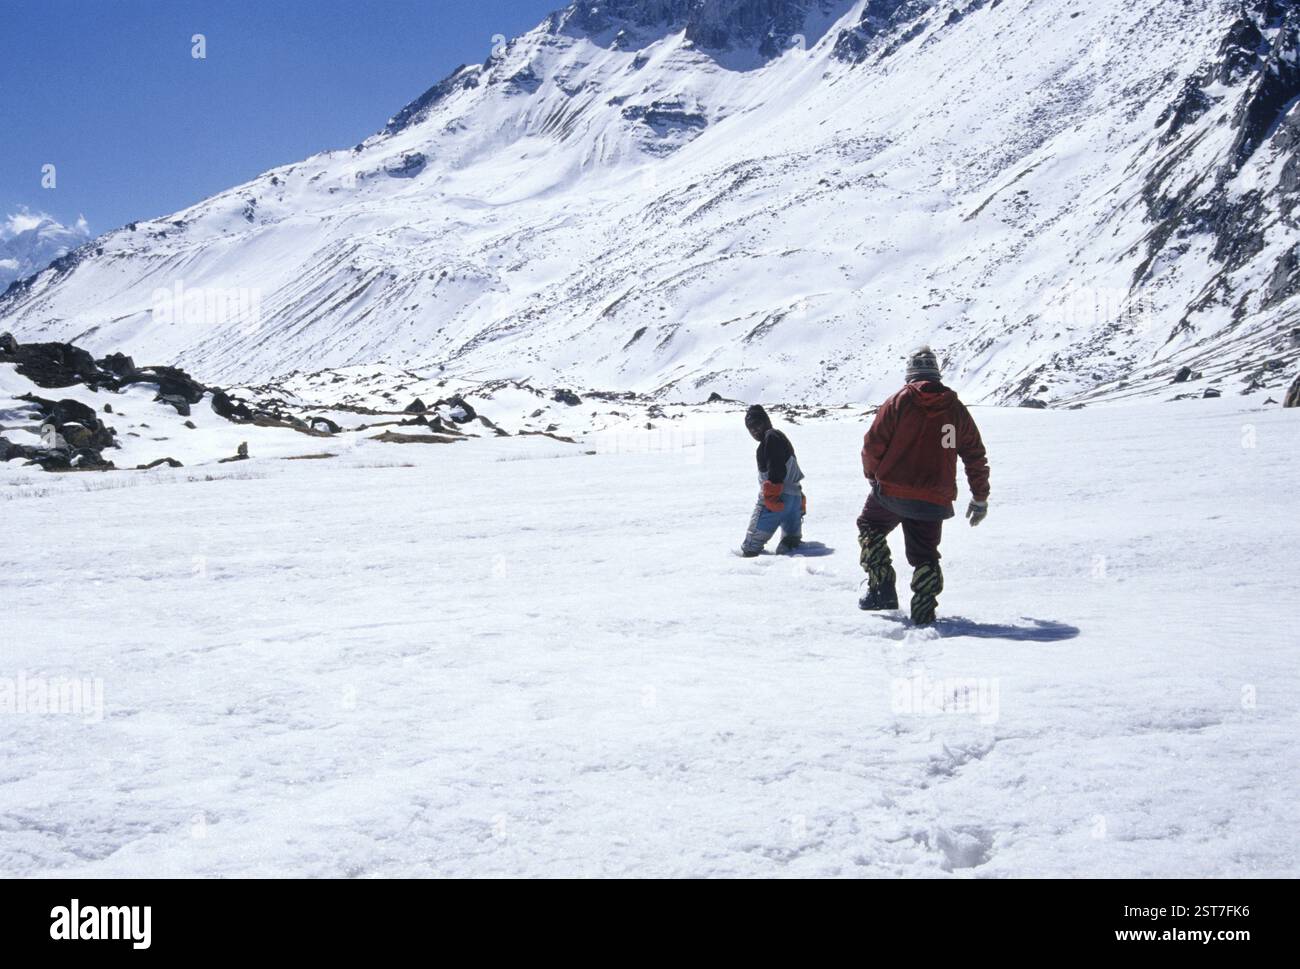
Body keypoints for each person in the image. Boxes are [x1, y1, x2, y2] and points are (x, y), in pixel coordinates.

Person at [857, 346, 990, 625]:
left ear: (910, 373)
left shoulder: (899, 401)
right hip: (935, 497)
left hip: (891, 490)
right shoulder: (955, 409)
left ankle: (881, 589)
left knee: (871, 527)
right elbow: (974, 454)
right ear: (936, 373)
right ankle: (924, 611)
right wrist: (979, 497)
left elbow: (872, 445)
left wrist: (872, 476)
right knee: (925, 555)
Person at [740, 404, 806, 557]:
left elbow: (777, 467)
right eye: (751, 428)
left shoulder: (771, 437)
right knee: (791, 543)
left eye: (758, 424)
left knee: (750, 547)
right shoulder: (778, 437)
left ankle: (752, 575)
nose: (755, 430)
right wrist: (799, 496)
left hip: (776, 499)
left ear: (766, 421)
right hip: (793, 499)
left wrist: (771, 494)